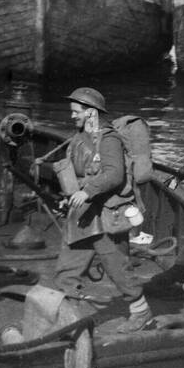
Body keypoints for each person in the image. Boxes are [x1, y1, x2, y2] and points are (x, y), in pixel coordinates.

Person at [50, 87, 153, 331]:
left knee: (117, 268)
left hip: (106, 215)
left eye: (77, 112)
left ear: (91, 113)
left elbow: (115, 175)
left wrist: (86, 191)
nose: (73, 116)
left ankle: (142, 313)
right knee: (67, 271)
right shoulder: (79, 137)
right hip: (83, 216)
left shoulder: (109, 139)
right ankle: (67, 321)